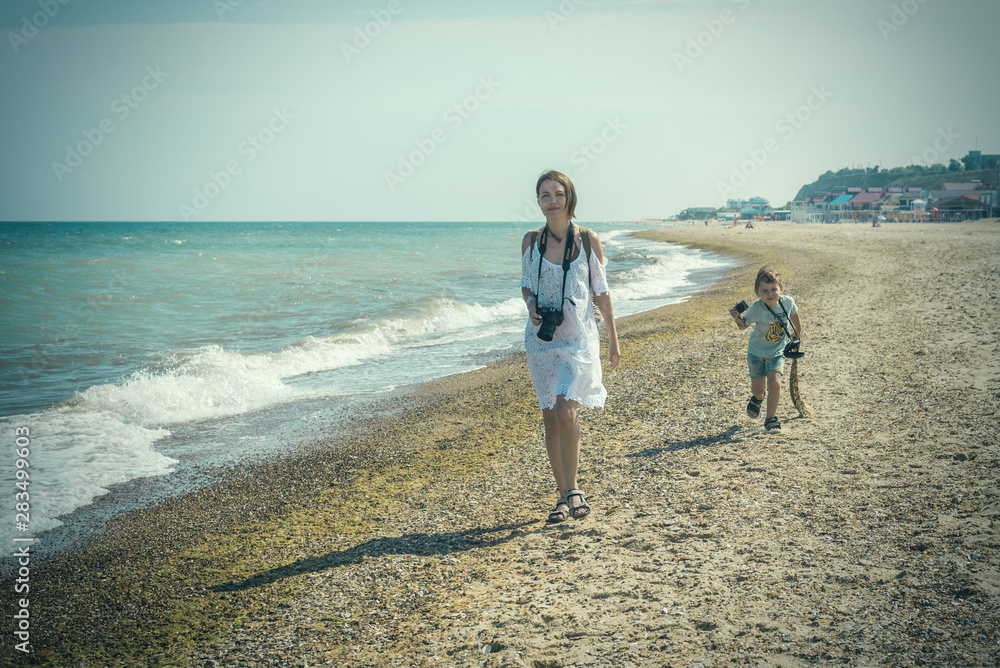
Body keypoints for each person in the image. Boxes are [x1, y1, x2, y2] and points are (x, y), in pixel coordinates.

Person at [520, 170, 620, 523]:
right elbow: (526, 284)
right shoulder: (531, 241)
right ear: (538, 201)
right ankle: (562, 496)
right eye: (545, 195)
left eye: (558, 194)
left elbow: (602, 293)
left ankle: (574, 487)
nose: (552, 201)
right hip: (542, 340)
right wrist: (530, 305)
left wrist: (613, 338)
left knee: (566, 411)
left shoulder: (588, 240)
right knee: (550, 418)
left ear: (569, 197)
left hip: (579, 338)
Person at [728, 267, 803, 434]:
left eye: (773, 289)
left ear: (781, 289)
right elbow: (743, 326)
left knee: (774, 383)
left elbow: (794, 314)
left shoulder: (787, 302)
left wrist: (798, 332)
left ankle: (771, 419)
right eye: (764, 291)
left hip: (777, 352)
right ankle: (757, 399)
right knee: (758, 389)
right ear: (757, 293)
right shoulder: (757, 308)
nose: (770, 294)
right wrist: (737, 317)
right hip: (756, 352)